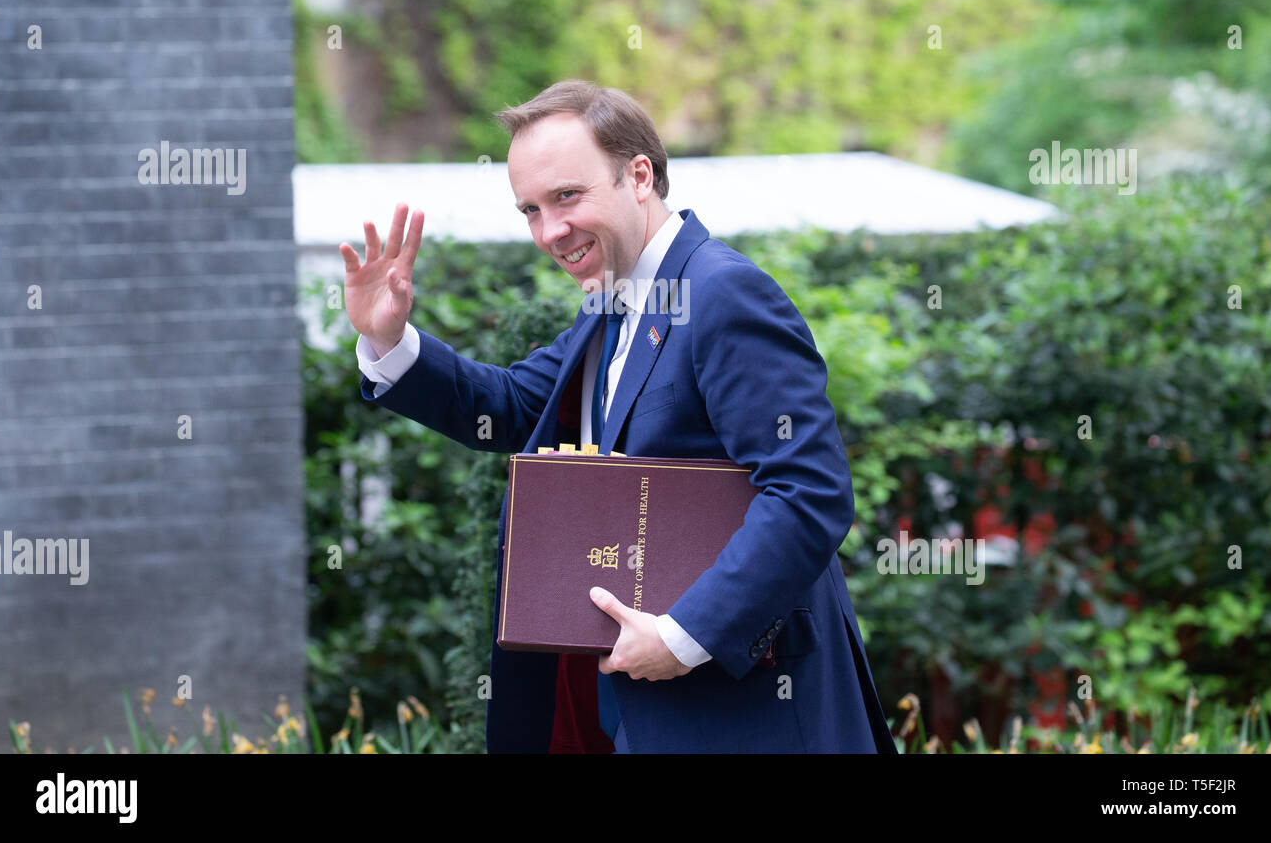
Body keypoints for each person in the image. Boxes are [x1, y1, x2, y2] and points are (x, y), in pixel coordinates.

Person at [340, 80, 897, 754]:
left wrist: (681, 635)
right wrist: (390, 342)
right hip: (642, 713)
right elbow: (515, 407)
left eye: (567, 196)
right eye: (531, 210)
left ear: (639, 175)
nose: (550, 231)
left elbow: (809, 493)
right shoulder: (613, 299)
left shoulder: (724, 293)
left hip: (751, 713)